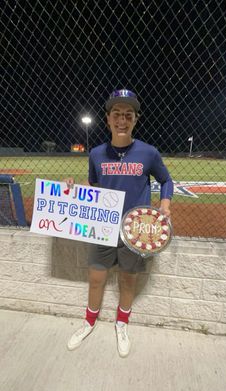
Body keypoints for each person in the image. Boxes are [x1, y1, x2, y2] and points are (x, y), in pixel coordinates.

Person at [66, 89, 174, 357]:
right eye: (117, 114)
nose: (122, 120)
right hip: (103, 227)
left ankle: (122, 323)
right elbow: (93, 185)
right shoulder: (97, 153)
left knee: (128, 280)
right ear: (108, 119)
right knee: (95, 278)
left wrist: (164, 204)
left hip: (134, 231)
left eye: (128, 115)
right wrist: (72, 191)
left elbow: (166, 181)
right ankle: (89, 322)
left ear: (135, 119)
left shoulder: (148, 153)